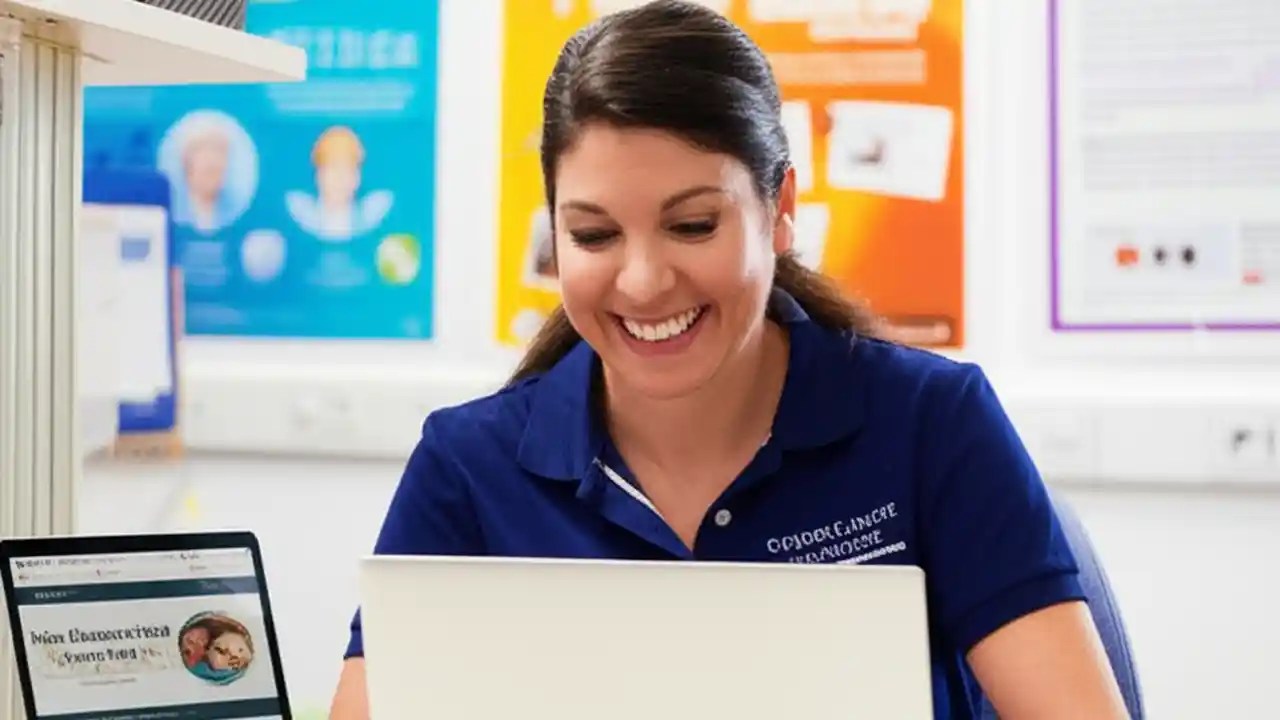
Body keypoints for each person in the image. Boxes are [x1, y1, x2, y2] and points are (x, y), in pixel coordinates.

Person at [330, 2, 1129, 718]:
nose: (641, 282)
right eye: (594, 235)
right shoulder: (468, 467)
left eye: (692, 226)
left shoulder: (928, 422)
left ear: (780, 211)